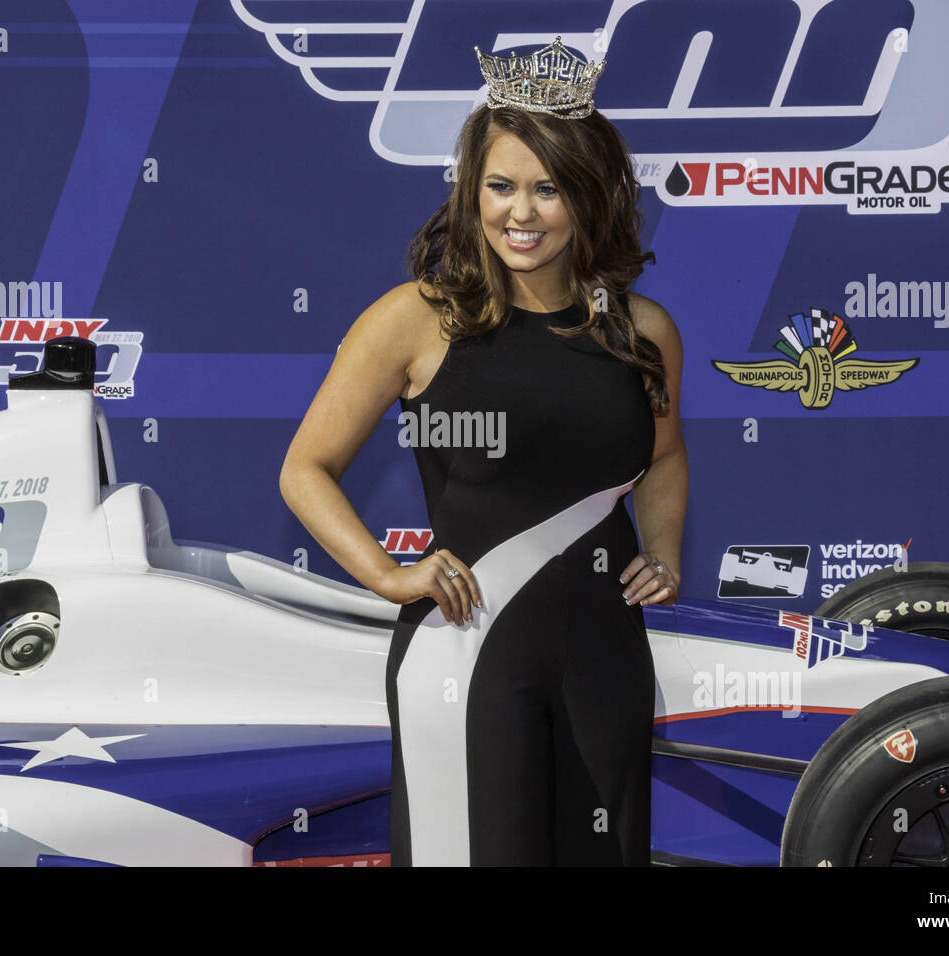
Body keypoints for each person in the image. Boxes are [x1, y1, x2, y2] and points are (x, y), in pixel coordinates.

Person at [279, 37, 687, 866]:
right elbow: (304, 470)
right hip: (465, 651)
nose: (522, 213)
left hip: (605, 658)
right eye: (501, 187)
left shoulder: (641, 332)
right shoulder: (412, 319)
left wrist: (666, 551)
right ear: (471, 193)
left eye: (549, 189)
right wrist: (390, 576)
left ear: (591, 196)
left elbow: (666, 457)